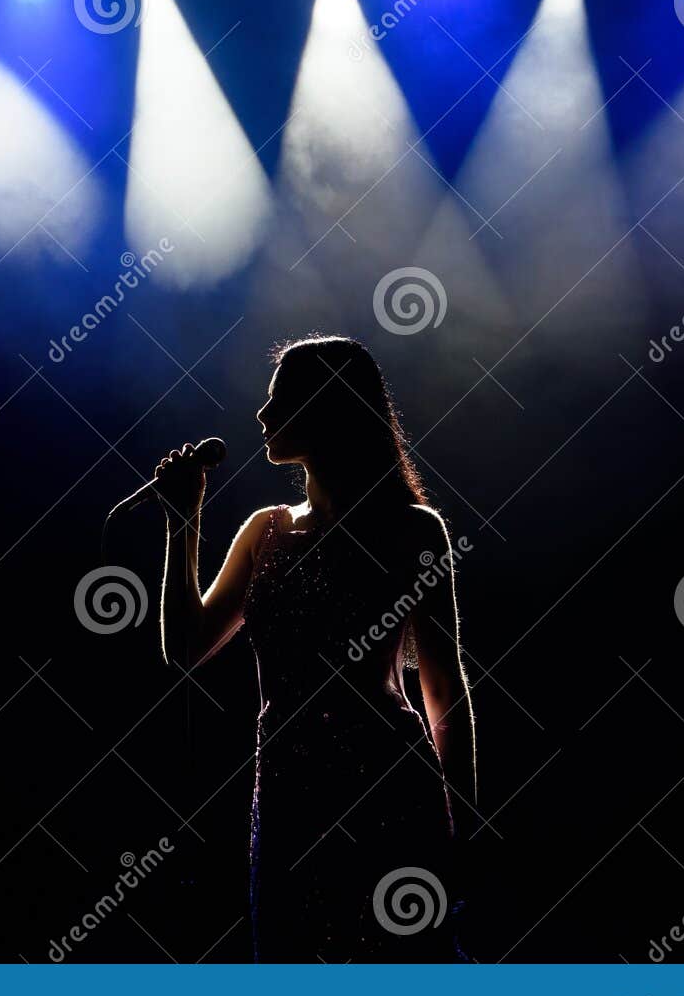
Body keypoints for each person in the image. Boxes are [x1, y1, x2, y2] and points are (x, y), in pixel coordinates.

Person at [155, 334, 476, 961]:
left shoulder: (414, 530)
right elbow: (186, 648)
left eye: (281, 400)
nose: (262, 414)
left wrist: (466, 819)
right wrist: (181, 522)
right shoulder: (265, 531)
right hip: (287, 792)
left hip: (386, 785)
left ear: (329, 410)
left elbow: (443, 688)